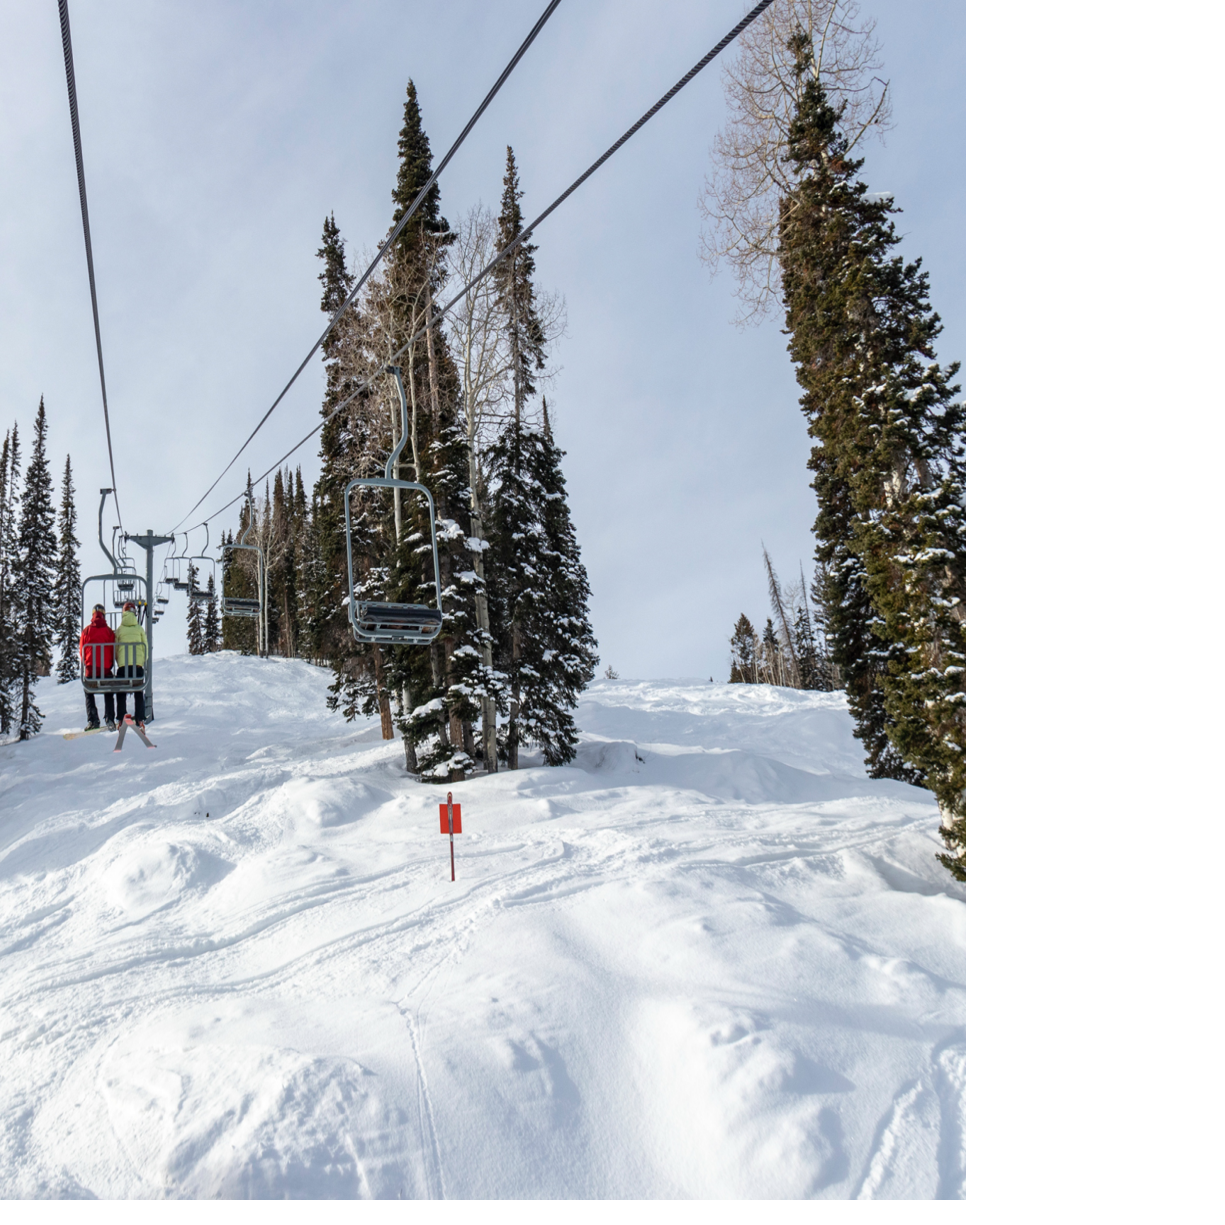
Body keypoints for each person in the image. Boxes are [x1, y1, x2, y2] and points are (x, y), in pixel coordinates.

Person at [79, 603, 116, 731]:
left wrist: (87, 664)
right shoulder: (109, 631)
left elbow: (81, 652)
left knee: (88, 691)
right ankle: (109, 717)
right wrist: (109, 664)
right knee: (109, 689)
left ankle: (93, 719)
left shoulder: (86, 631)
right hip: (105, 671)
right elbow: (113, 650)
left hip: (91, 672)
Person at [114, 601, 149, 728]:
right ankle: (140, 717)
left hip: (123, 668)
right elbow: (145, 647)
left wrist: (120, 663)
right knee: (138, 690)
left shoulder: (119, 630)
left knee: (120, 691)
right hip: (137, 668)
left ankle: (121, 716)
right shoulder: (139, 629)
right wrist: (142, 662)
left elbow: (116, 650)